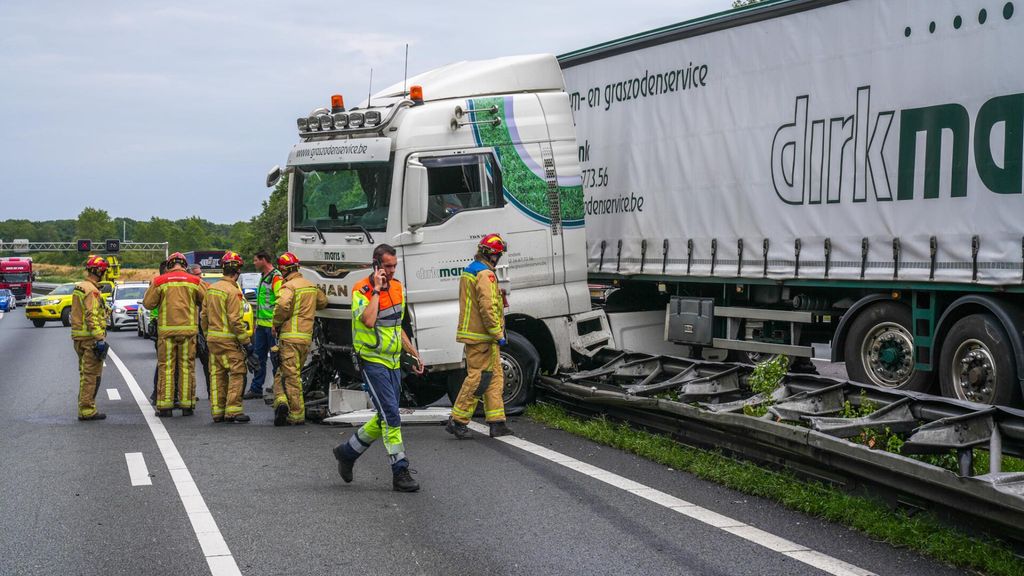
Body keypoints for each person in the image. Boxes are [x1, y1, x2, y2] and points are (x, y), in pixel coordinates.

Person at [332, 244, 424, 492]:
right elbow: (369, 319)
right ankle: (400, 470)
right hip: (372, 361)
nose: (393, 271)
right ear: (376, 265)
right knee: (391, 416)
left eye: (395, 266)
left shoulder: (397, 288)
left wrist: (412, 352)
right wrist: (376, 290)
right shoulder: (361, 290)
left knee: (385, 414)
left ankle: (347, 452)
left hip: (393, 360)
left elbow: (397, 326)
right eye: (388, 266)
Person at [446, 233, 515, 439]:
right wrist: (497, 332)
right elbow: (488, 306)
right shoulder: (485, 274)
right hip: (482, 337)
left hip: (479, 336)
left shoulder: (472, 270)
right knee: (477, 378)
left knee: (494, 378)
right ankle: (457, 420)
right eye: (499, 254)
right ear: (494, 255)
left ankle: (497, 422)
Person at [143, 252, 207, 417]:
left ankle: (165, 407)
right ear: (185, 265)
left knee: (166, 368)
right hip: (188, 332)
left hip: (166, 333)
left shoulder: (159, 281)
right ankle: (187, 406)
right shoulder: (194, 281)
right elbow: (207, 300)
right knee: (187, 368)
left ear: (169, 264)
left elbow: (148, 304)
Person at [270, 252, 327, 426]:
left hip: (289, 337)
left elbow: (281, 305)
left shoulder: (289, 287)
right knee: (288, 372)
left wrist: (277, 323)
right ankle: (281, 401)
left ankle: (295, 413)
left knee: (290, 375)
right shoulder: (310, 286)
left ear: (283, 270)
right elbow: (323, 302)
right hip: (305, 339)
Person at [202, 251, 254, 423]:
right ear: (237, 271)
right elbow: (235, 319)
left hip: (213, 340)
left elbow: (203, 316)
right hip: (229, 341)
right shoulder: (233, 292)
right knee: (237, 372)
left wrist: (207, 334)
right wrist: (246, 342)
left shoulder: (212, 289)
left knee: (217, 375)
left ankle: (217, 411)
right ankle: (233, 410)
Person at [71, 255, 110, 421]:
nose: (105, 274)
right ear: (98, 272)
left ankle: (84, 406)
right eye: (104, 271)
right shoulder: (92, 291)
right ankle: (87, 409)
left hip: (79, 337)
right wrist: (99, 337)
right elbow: (91, 315)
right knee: (91, 375)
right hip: (90, 339)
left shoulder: (80, 287)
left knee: (84, 374)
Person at [246, 250, 283, 399]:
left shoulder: (276, 277)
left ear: (263, 260)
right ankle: (256, 388)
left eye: (256, 260)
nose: (254, 263)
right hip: (261, 325)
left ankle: (278, 388)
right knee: (258, 357)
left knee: (275, 359)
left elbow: (280, 301)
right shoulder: (263, 277)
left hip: (271, 326)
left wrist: (276, 323)